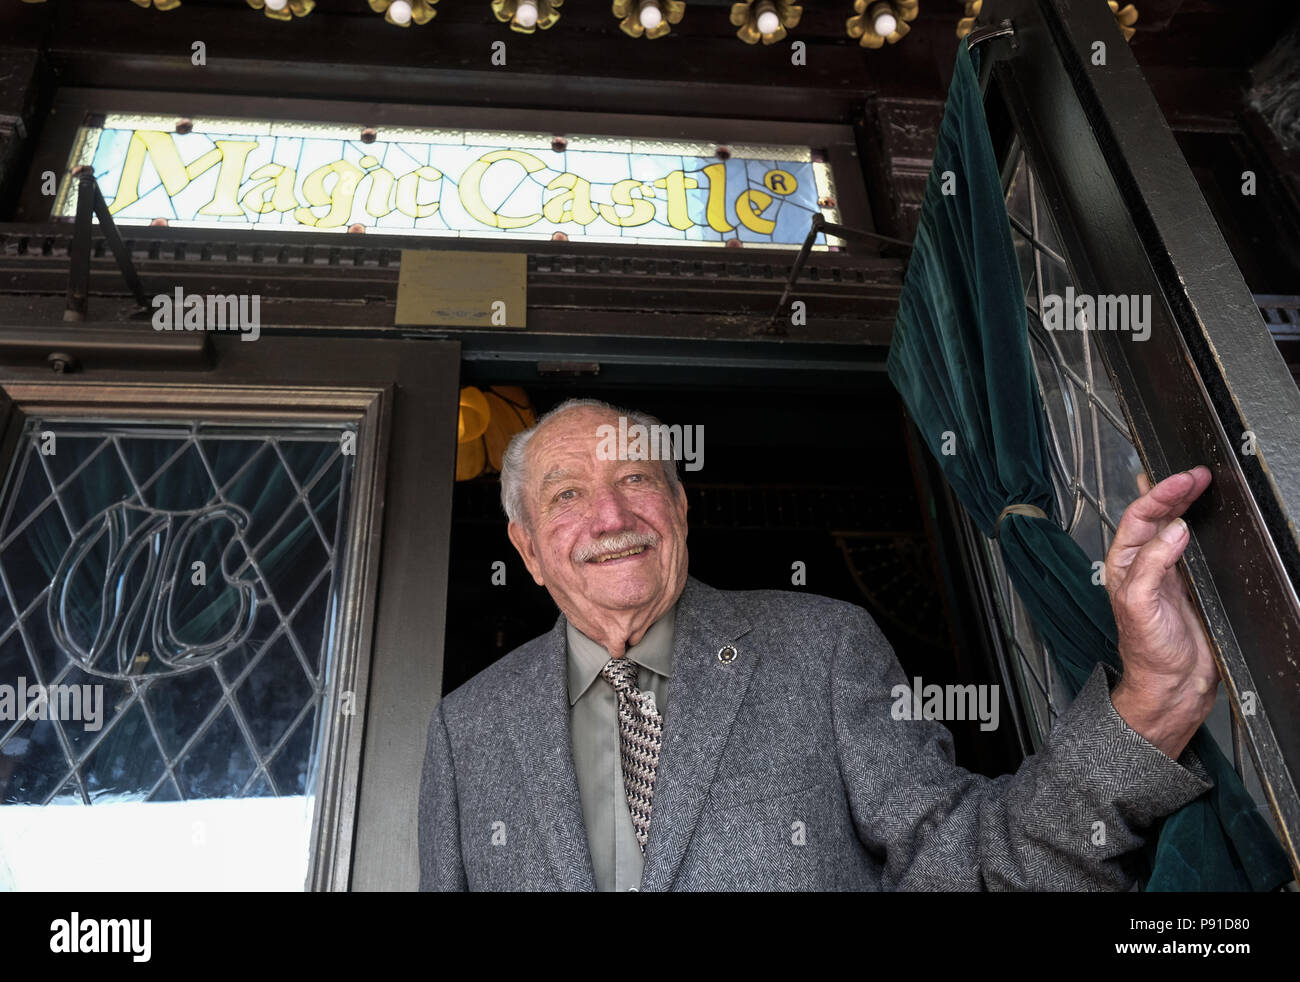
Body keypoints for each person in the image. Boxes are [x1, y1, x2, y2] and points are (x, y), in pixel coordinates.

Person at [418, 398, 1218, 891]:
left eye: (635, 481)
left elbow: (962, 862)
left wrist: (1153, 698)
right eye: (568, 495)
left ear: (679, 507)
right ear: (526, 549)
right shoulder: (468, 727)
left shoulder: (821, 646)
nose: (611, 519)